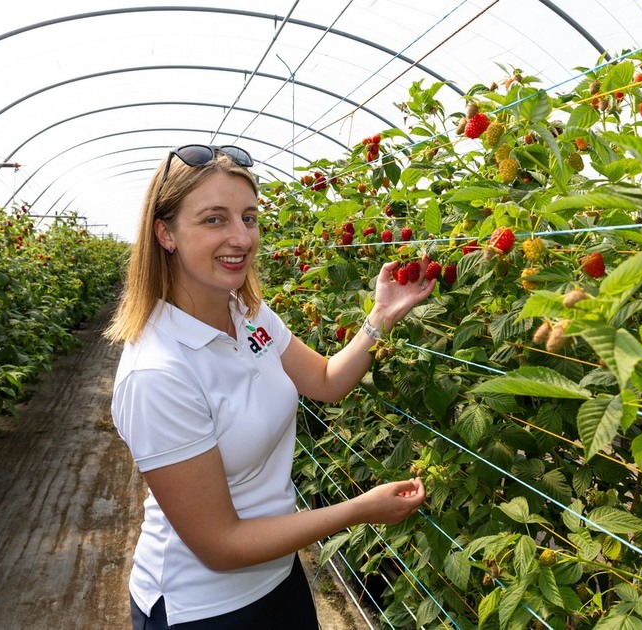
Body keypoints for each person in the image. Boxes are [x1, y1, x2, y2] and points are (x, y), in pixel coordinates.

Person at [103, 143, 435, 629]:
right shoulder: (158, 373)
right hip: (204, 608)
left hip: (278, 577)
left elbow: (325, 381)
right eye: (214, 219)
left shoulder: (249, 314)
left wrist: (381, 315)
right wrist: (359, 510)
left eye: (249, 217)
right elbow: (220, 545)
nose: (241, 236)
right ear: (165, 233)